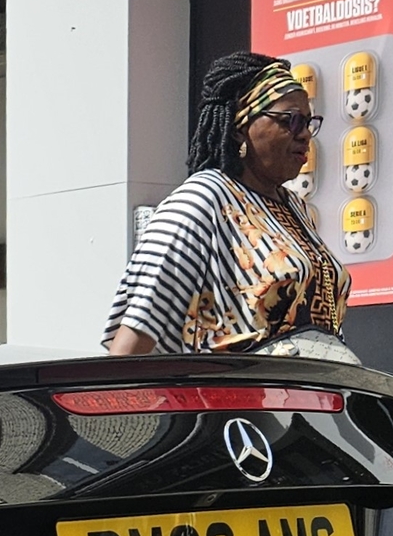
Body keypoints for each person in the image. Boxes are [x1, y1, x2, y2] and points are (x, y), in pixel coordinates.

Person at [104, 51, 354, 361]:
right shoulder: (201, 201)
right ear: (240, 126)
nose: (304, 134)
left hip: (308, 404)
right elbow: (134, 337)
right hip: (236, 405)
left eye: (308, 122)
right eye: (289, 120)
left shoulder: (295, 209)